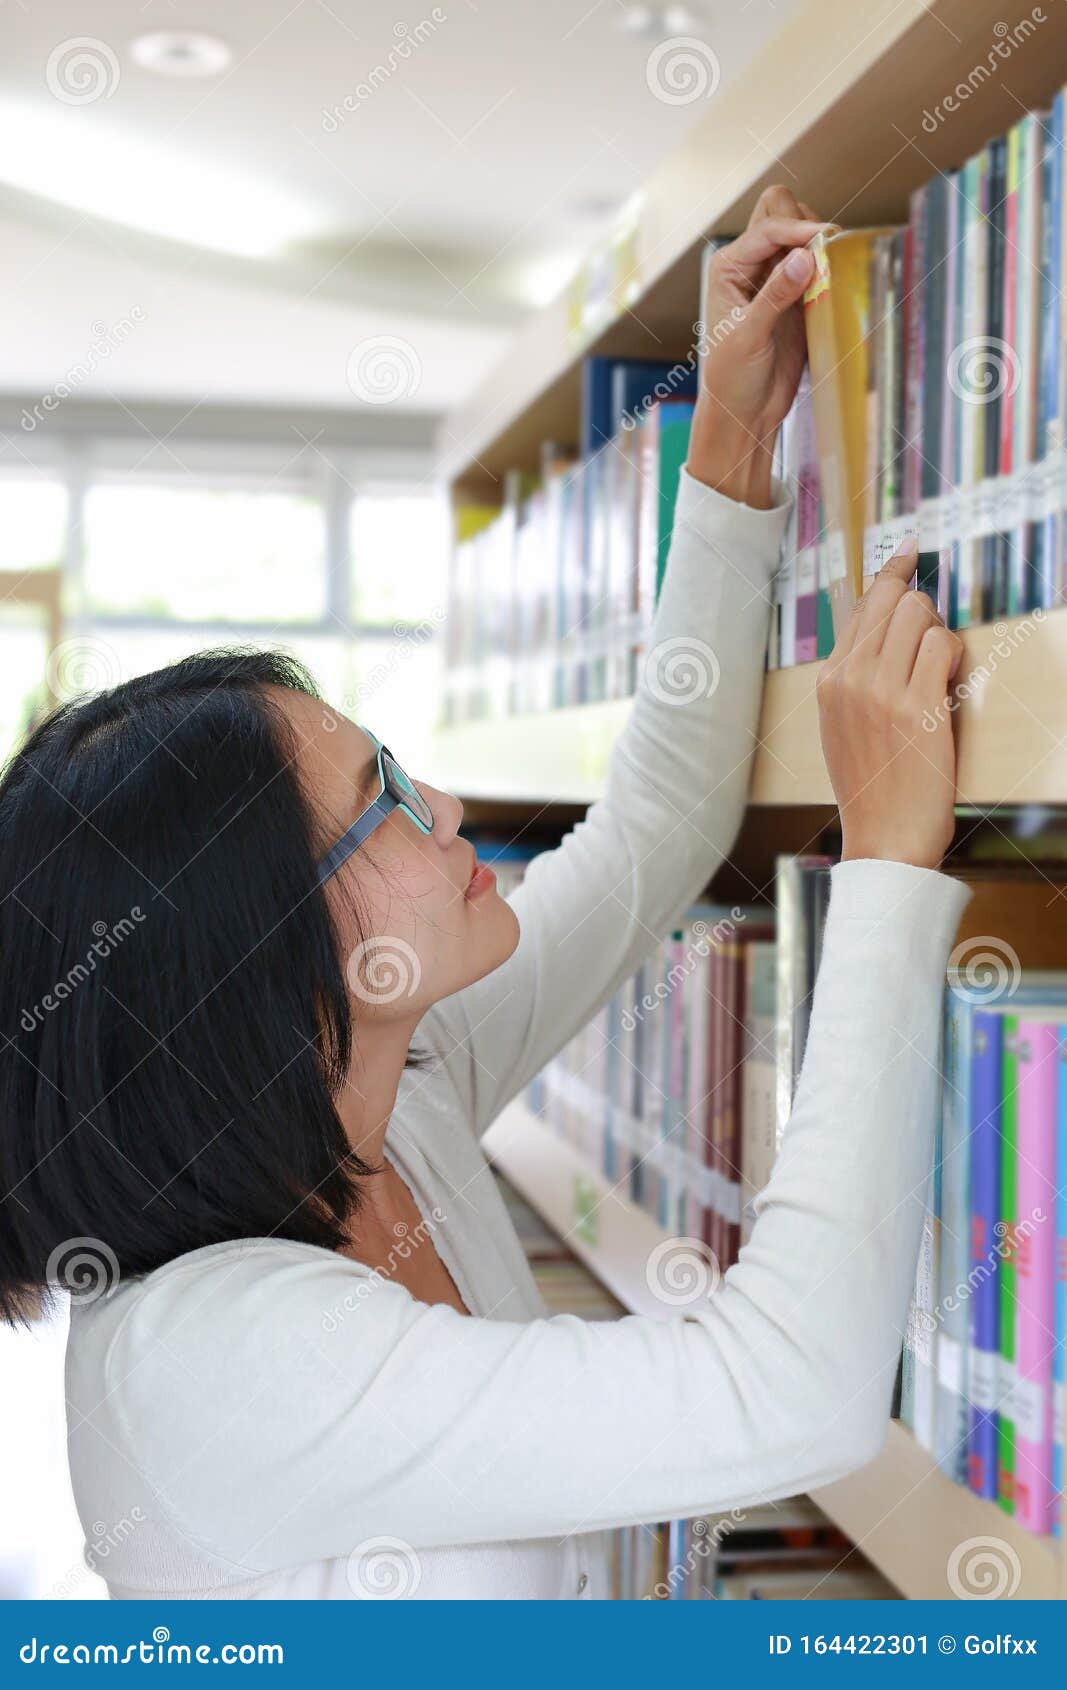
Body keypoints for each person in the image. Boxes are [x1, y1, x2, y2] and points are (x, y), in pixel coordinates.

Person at [0, 189, 967, 1600]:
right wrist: (882, 870)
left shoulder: (396, 1086)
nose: (448, 808)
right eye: (382, 805)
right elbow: (794, 1386)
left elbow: (654, 831)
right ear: (260, 960)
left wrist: (737, 447)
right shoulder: (211, 1360)